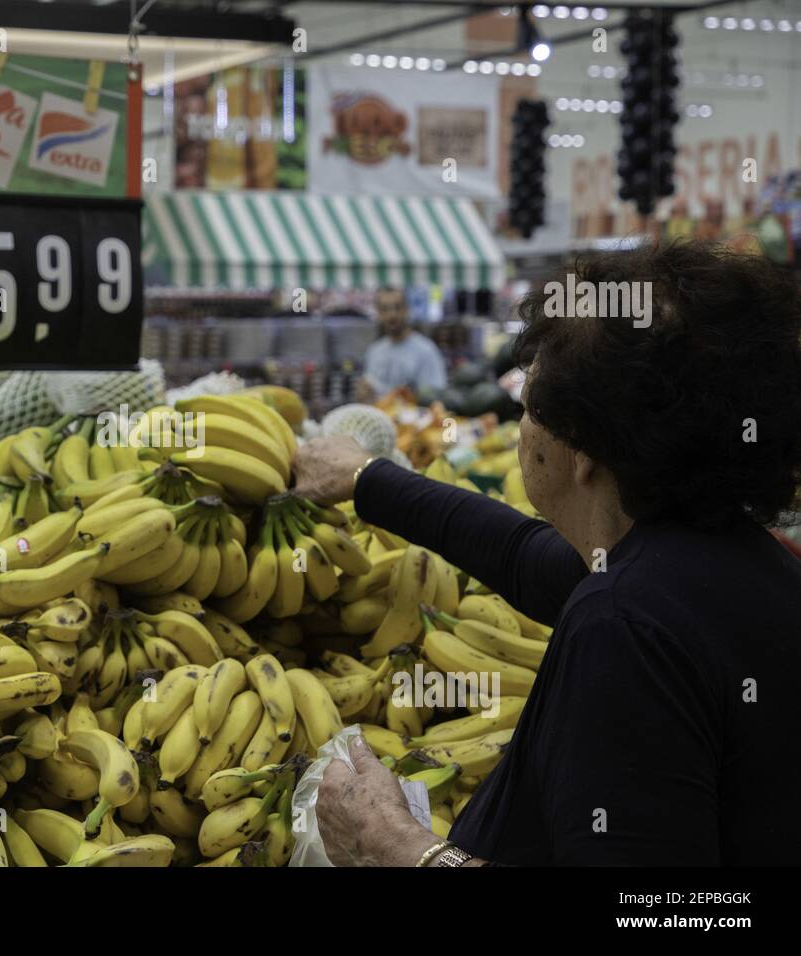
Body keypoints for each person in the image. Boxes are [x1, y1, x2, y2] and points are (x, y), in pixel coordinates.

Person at [293, 241, 801, 866]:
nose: (523, 427)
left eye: (531, 403)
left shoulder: (623, 628)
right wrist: (367, 477)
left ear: (582, 447)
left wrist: (399, 847)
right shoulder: (733, 560)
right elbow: (524, 557)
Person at [358, 288, 447, 399]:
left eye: (398, 307)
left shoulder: (426, 351)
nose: (392, 314)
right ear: (378, 313)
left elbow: (435, 396)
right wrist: (364, 393)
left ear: (407, 309)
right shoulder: (374, 351)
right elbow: (369, 391)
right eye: (385, 309)